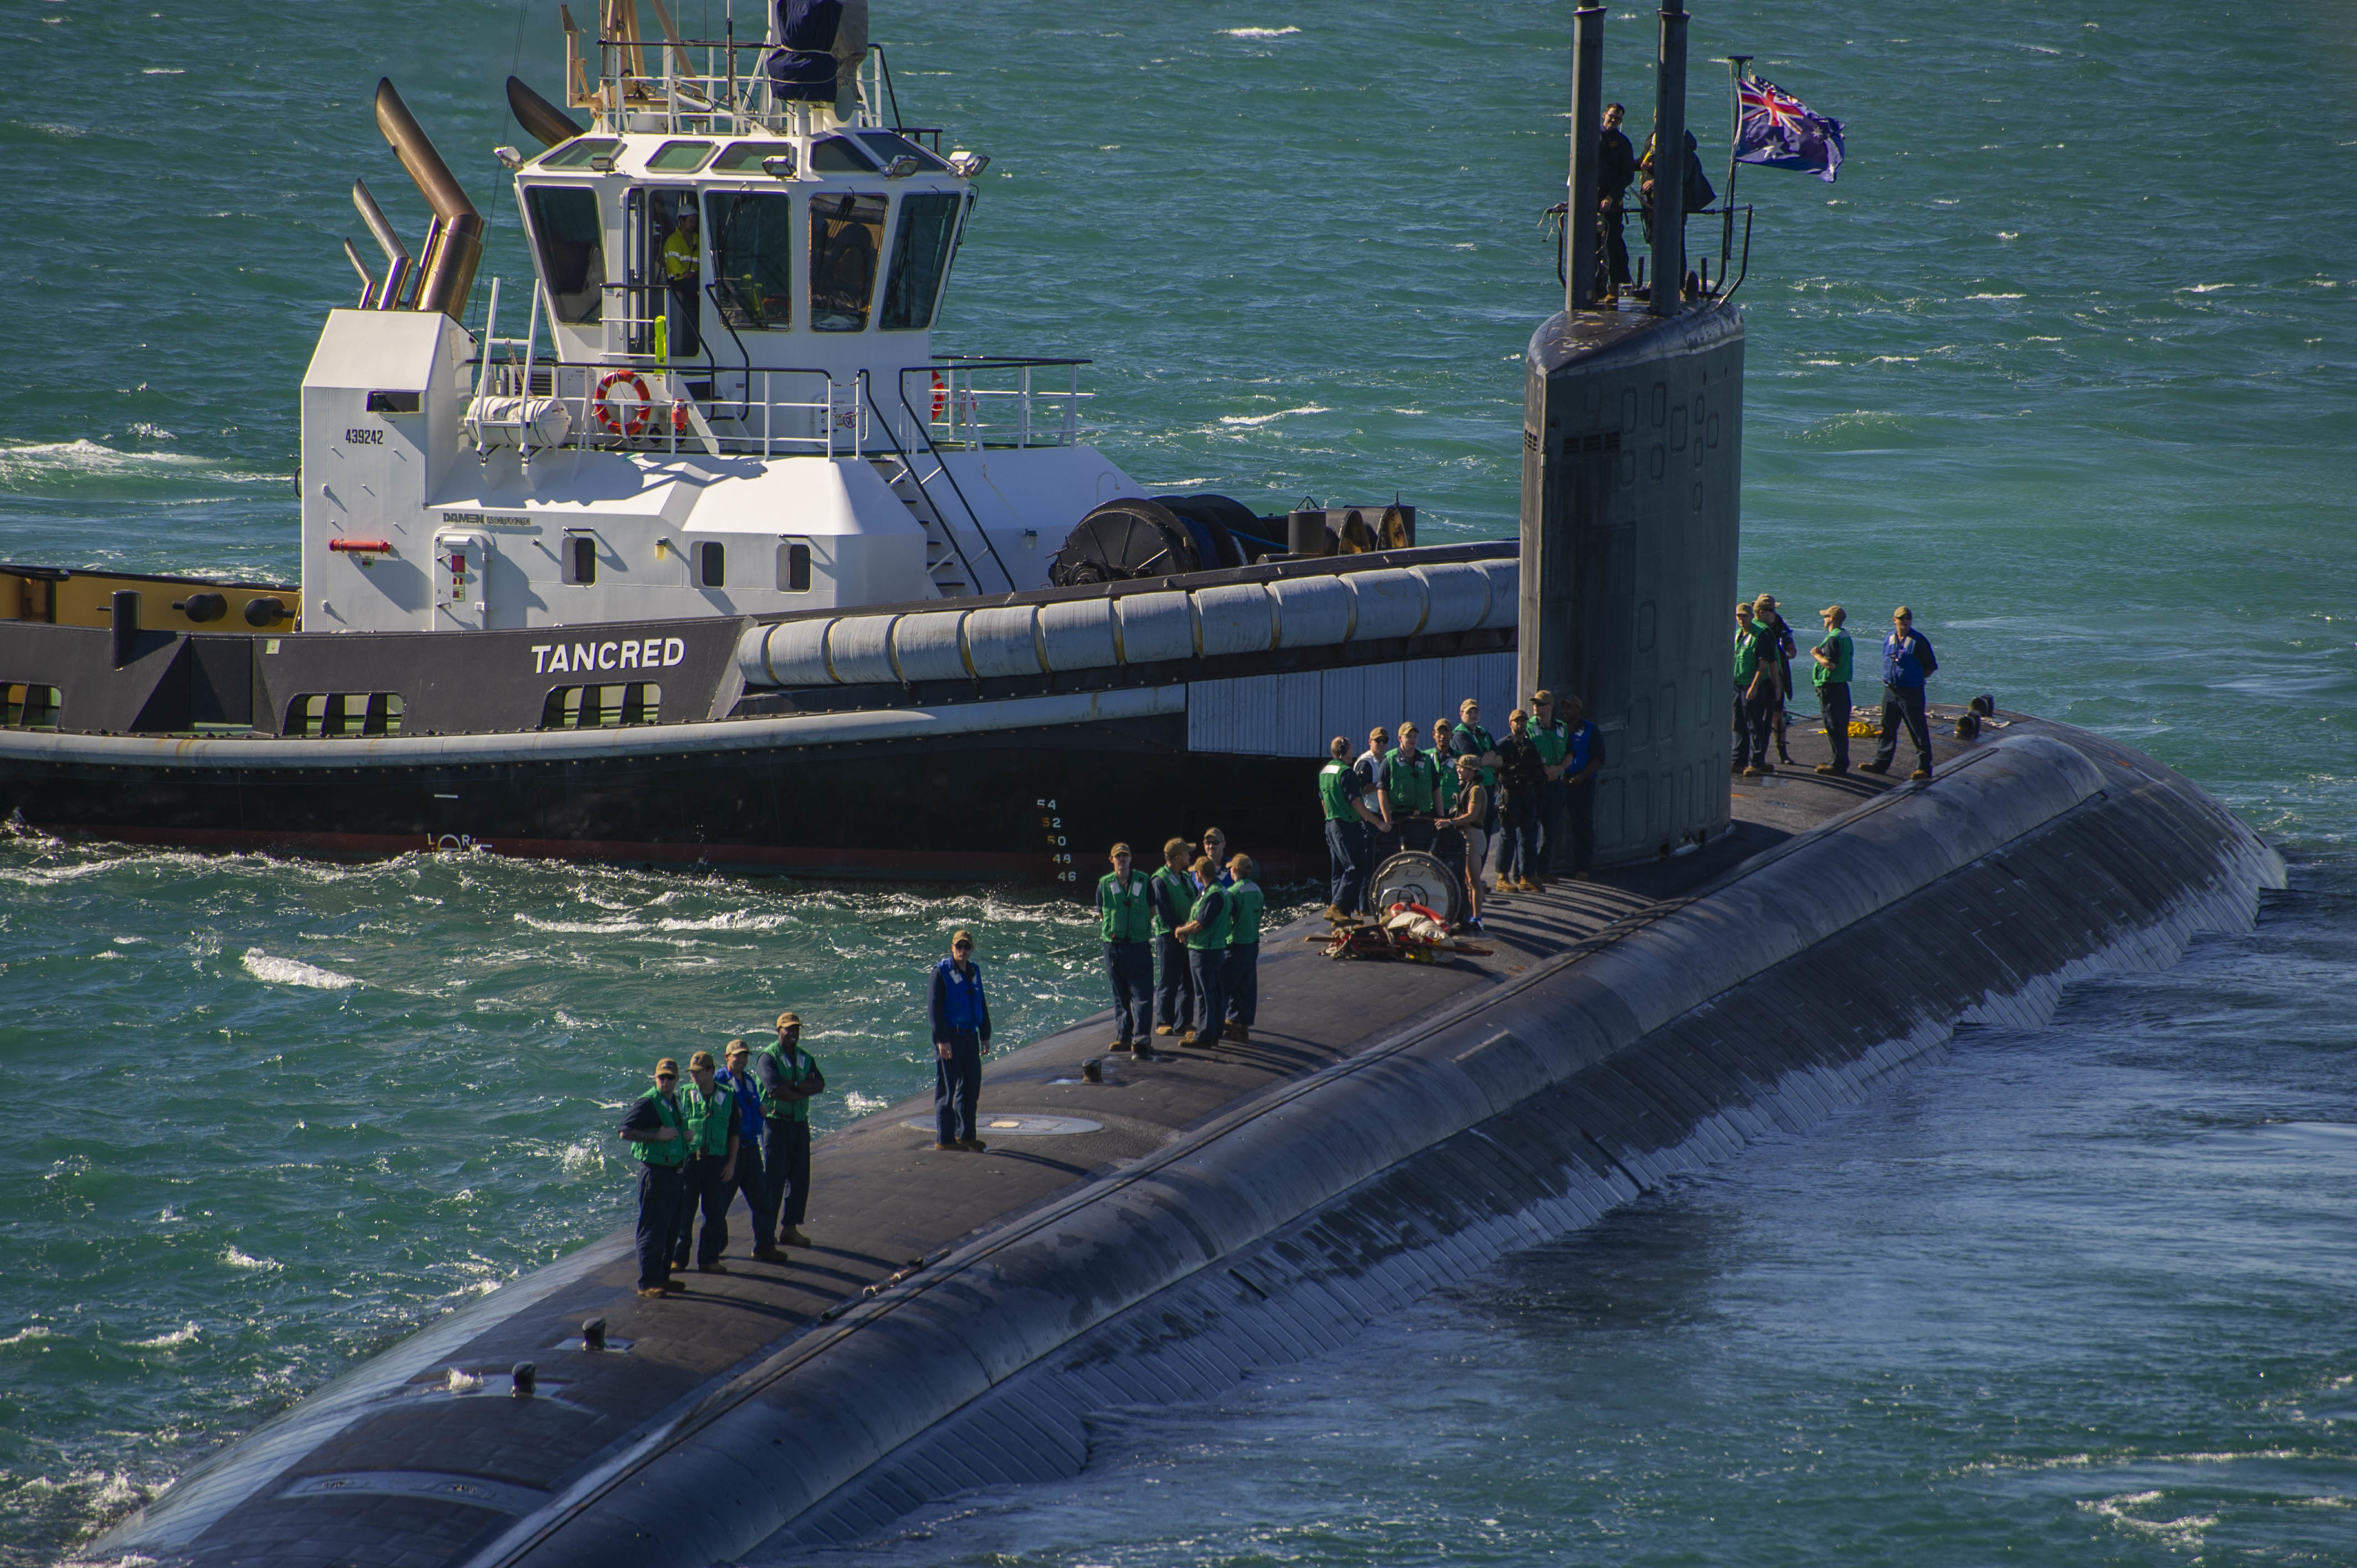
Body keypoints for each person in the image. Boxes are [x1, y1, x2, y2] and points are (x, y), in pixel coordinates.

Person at [617, 1058, 688, 1298]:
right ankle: (647, 1282)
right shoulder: (649, 1102)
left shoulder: (673, 1102)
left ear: (677, 1080)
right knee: (653, 1229)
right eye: (662, 1078)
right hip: (656, 1174)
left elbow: (672, 1131)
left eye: (670, 1078)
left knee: (671, 1228)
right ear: (655, 1078)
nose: (665, 1082)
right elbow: (625, 1132)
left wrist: (682, 1136)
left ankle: (662, 1278)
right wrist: (656, 1136)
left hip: (674, 1173)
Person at [755, 1012, 825, 1245]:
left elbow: (819, 1085)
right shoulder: (768, 1058)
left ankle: (790, 1228)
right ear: (779, 1031)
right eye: (789, 1029)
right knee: (774, 1180)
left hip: (799, 1124)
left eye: (797, 1029)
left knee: (800, 1179)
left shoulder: (805, 1057)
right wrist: (802, 1091)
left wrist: (794, 1085)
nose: (794, 1034)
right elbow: (775, 1089)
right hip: (776, 1124)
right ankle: (767, 1234)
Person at [714, 1039, 784, 1263]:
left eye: (745, 1056)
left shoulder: (750, 1081)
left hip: (751, 1149)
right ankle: (712, 1250)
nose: (742, 1060)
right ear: (727, 1058)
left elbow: (752, 1107)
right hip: (730, 1151)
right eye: (738, 1056)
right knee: (720, 1203)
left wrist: (761, 1112)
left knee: (762, 1200)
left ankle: (764, 1246)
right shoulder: (720, 1081)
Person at [672, 1049, 740, 1275]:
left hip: (716, 1162)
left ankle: (709, 1259)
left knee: (715, 1213)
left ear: (711, 1072)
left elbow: (734, 1133)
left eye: (698, 1072)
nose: (694, 1076)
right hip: (691, 1162)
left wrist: (731, 1163)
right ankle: (678, 1259)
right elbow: (675, 1126)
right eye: (692, 1072)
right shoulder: (684, 1094)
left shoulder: (728, 1096)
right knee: (685, 1213)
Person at [928, 931, 991, 1151]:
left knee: (971, 1088)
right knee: (947, 1090)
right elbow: (934, 1009)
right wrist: (942, 1040)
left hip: (970, 1037)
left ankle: (966, 1136)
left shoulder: (974, 971)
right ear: (952, 948)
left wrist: (985, 1034)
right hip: (950, 1039)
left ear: (972, 949)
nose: (962, 951)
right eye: (959, 947)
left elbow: (981, 1002)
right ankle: (945, 1140)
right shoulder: (941, 973)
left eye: (967, 947)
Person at [1864, 606, 1939, 781]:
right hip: (1890, 690)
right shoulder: (1889, 638)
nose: (1904, 621)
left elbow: (1931, 666)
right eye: (1901, 618)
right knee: (1887, 727)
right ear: (1894, 620)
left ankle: (1923, 767)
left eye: (1908, 618)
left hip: (1911, 692)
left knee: (1917, 729)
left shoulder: (1919, 641)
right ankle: (1880, 763)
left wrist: (1916, 678)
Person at [1098, 843, 1154, 1052]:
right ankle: (1124, 1037)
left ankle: (1142, 1038)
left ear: (1131, 859)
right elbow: (1102, 913)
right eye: (1118, 857)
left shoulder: (1144, 880)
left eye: (1125, 856)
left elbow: (1152, 910)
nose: (1122, 860)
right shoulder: (1104, 884)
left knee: (1142, 996)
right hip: (1114, 948)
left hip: (1138, 947)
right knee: (1120, 996)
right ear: (1111, 860)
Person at [1319, 736, 1382, 920]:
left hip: (1331, 824)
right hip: (1346, 826)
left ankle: (1340, 914)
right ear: (1343, 750)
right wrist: (1377, 823)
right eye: (1351, 748)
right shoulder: (1346, 773)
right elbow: (1356, 803)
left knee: (1339, 871)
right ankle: (1338, 907)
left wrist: (1330, 818)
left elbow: (1323, 800)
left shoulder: (1325, 771)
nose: (1353, 752)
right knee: (1356, 868)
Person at [1172, 857, 1230, 1046]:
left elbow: (1200, 924)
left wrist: (1181, 931)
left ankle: (1205, 1036)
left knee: (1205, 995)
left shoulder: (1213, 894)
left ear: (1198, 874)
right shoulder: (1214, 891)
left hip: (1205, 951)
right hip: (1209, 949)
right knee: (1212, 994)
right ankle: (1213, 1033)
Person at [1495, 708, 1551, 893]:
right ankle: (1503, 877)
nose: (1521, 724)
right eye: (1517, 721)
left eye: (1523, 721)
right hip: (1510, 796)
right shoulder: (1503, 745)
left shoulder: (1530, 745)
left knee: (1529, 837)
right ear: (1510, 724)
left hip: (1528, 797)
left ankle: (1527, 876)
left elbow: (1538, 771)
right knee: (1507, 836)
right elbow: (1496, 771)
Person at [1449, 698, 1502, 881]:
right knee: (1471, 835)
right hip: (1471, 789)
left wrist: (1485, 760)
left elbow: (1499, 760)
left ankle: (1476, 878)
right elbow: (1474, 760)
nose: (1473, 715)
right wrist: (1488, 759)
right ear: (1461, 714)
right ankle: (1468, 880)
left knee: (1485, 833)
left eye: (1475, 711)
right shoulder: (1460, 735)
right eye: (1469, 712)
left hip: (1486, 787)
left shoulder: (1483, 733)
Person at [1149, 838, 1197, 1036]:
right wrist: (1180, 930)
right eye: (1187, 853)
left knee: (1188, 980)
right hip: (1170, 937)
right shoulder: (1159, 880)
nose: (1190, 855)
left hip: (1189, 936)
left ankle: (1184, 1021)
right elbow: (1164, 911)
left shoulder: (1185, 878)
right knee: (1169, 979)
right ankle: (1164, 1021)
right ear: (1178, 857)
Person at [1438, 756, 1490, 931]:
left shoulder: (1476, 790)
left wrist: (1450, 822)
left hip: (1473, 836)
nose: (1459, 770)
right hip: (1466, 836)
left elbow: (1472, 816)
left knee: (1474, 880)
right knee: (1468, 881)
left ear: (1472, 771)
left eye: (1462, 768)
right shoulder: (1466, 788)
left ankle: (1477, 919)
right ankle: (1470, 917)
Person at [1557, 694, 1603, 878]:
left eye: (1569, 708)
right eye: (1564, 708)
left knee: (1582, 827)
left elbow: (1599, 758)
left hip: (1582, 784)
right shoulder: (1558, 729)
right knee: (1549, 824)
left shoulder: (1591, 730)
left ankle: (1582, 868)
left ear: (1578, 710)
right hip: (1560, 781)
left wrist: (1581, 777)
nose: (1565, 712)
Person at [1221, 853, 1264, 1044]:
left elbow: (1225, 919)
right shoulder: (1257, 891)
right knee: (1247, 986)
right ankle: (1243, 1026)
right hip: (1252, 944)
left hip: (1235, 944)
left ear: (1235, 871)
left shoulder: (1233, 892)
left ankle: (1228, 1022)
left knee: (1226, 986)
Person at [1597, 102, 1636, 298]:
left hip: (1612, 200)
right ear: (1604, 115)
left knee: (1613, 242)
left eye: (1618, 118)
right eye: (1611, 116)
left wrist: (1611, 196)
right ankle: (1595, 285)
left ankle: (1615, 286)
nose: (1613, 120)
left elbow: (1628, 175)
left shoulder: (1622, 143)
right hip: (1590, 197)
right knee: (1590, 242)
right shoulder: (1592, 138)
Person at [1529, 692, 1570, 877]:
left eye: (1542, 704)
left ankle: (1543, 872)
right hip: (1536, 784)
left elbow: (1570, 753)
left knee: (1550, 832)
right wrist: (1544, 770)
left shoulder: (1561, 728)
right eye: (1535, 704)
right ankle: (1524, 873)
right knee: (1529, 832)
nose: (1537, 707)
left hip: (1555, 785)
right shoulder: (1529, 727)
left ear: (1551, 707)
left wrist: (1559, 769)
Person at [1810, 605, 1855, 776]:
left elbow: (1830, 664)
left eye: (1825, 616)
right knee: (1840, 725)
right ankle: (1839, 760)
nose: (1823, 619)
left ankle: (1838, 763)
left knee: (1833, 725)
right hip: (1842, 686)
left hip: (1831, 687)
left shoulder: (1833, 639)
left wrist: (1816, 655)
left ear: (1832, 619)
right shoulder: (1845, 636)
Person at [1732, 601, 1776, 776]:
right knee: (1739, 724)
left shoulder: (1760, 635)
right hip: (1738, 686)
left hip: (1752, 687)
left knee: (1755, 725)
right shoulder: (1737, 635)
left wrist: (1755, 687)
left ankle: (1757, 763)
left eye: (1745, 616)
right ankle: (1738, 761)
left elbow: (1763, 664)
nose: (1741, 620)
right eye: (1739, 616)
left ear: (1752, 616)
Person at [1755, 594, 1799, 765]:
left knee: (1778, 713)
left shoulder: (1778, 622)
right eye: (1772, 610)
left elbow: (1792, 651)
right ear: (1761, 612)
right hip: (1757, 674)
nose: (1774, 613)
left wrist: (1778, 658)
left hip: (1777, 673)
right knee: (1755, 716)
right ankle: (1757, 756)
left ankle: (1782, 752)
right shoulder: (1753, 626)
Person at [1383, 720, 1439, 852]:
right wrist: (1388, 819)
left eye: (1415, 736)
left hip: (1423, 815)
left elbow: (1436, 788)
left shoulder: (1426, 759)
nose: (1413, 739)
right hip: (1399, 817)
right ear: (1400, 738)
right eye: (1408, 736)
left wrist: (1440, 816)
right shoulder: (1390, 760)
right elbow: (1382, 790)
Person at [1354, 727, 1397, 891]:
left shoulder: (1386, 760)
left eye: (1384, 741)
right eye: (1377, 741)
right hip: (1369, 817)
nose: (1381, 744)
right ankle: (1363, 905)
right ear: (1370, 742)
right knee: (1368, 862)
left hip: (1382, 814)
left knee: (1381, 860)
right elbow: (1360, 790)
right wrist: (1380, 786)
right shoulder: (1366, 762)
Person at [661, 203, 701, 359]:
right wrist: (686, 274)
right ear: (682, 221)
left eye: (695, 221)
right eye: (690, 221)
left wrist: (695, 274)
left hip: (694, 280)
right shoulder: (673, 242)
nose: (693, 224)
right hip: (678, 281)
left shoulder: (698, 239)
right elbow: (674, 267)